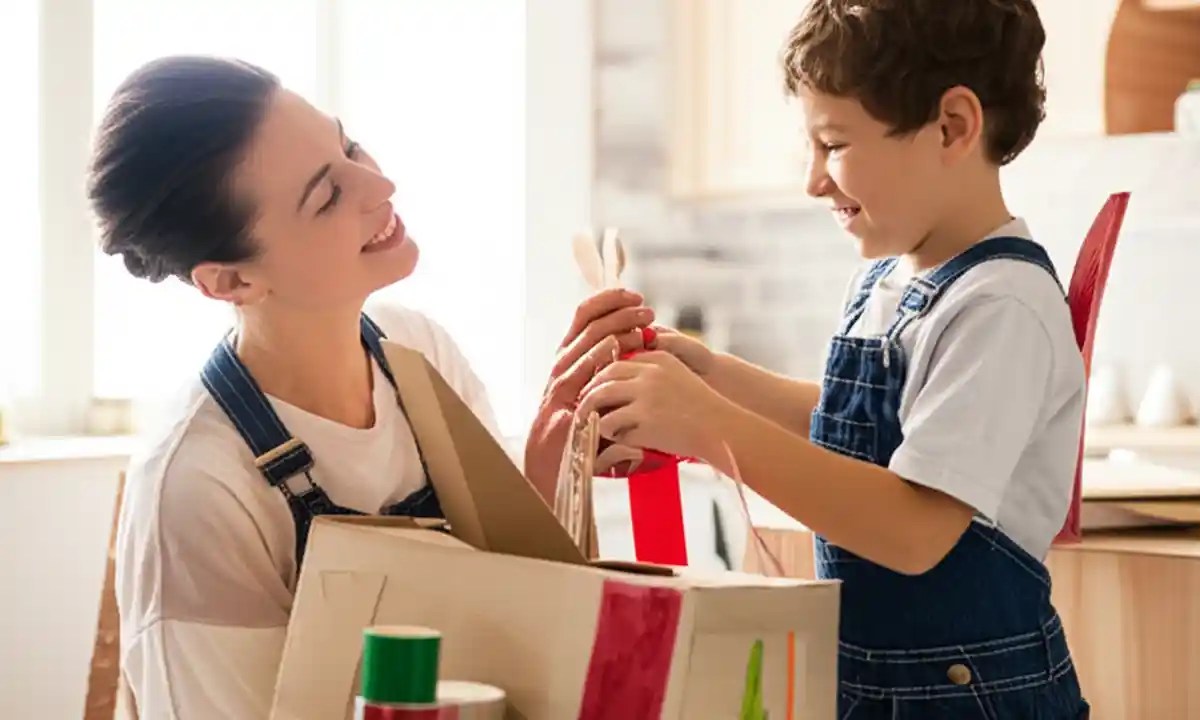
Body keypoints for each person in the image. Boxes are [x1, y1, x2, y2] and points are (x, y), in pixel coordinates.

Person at [88, 55, 652, 718]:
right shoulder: (196, 486)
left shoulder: (419, 353)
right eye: (327, 196)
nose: (380, 183)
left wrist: (551, 475)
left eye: (349, 144)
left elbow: (512, 637)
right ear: (233, 282)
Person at [577, 1, 1090, 717]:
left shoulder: (1000, 304)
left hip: (971, 699)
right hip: (872, 689)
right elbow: (860, 434)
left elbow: (914, 529)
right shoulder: (891, 277)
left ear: (953, 127)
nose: (814, 180)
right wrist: (711, 377)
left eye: (835, 144)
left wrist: (706, 424)